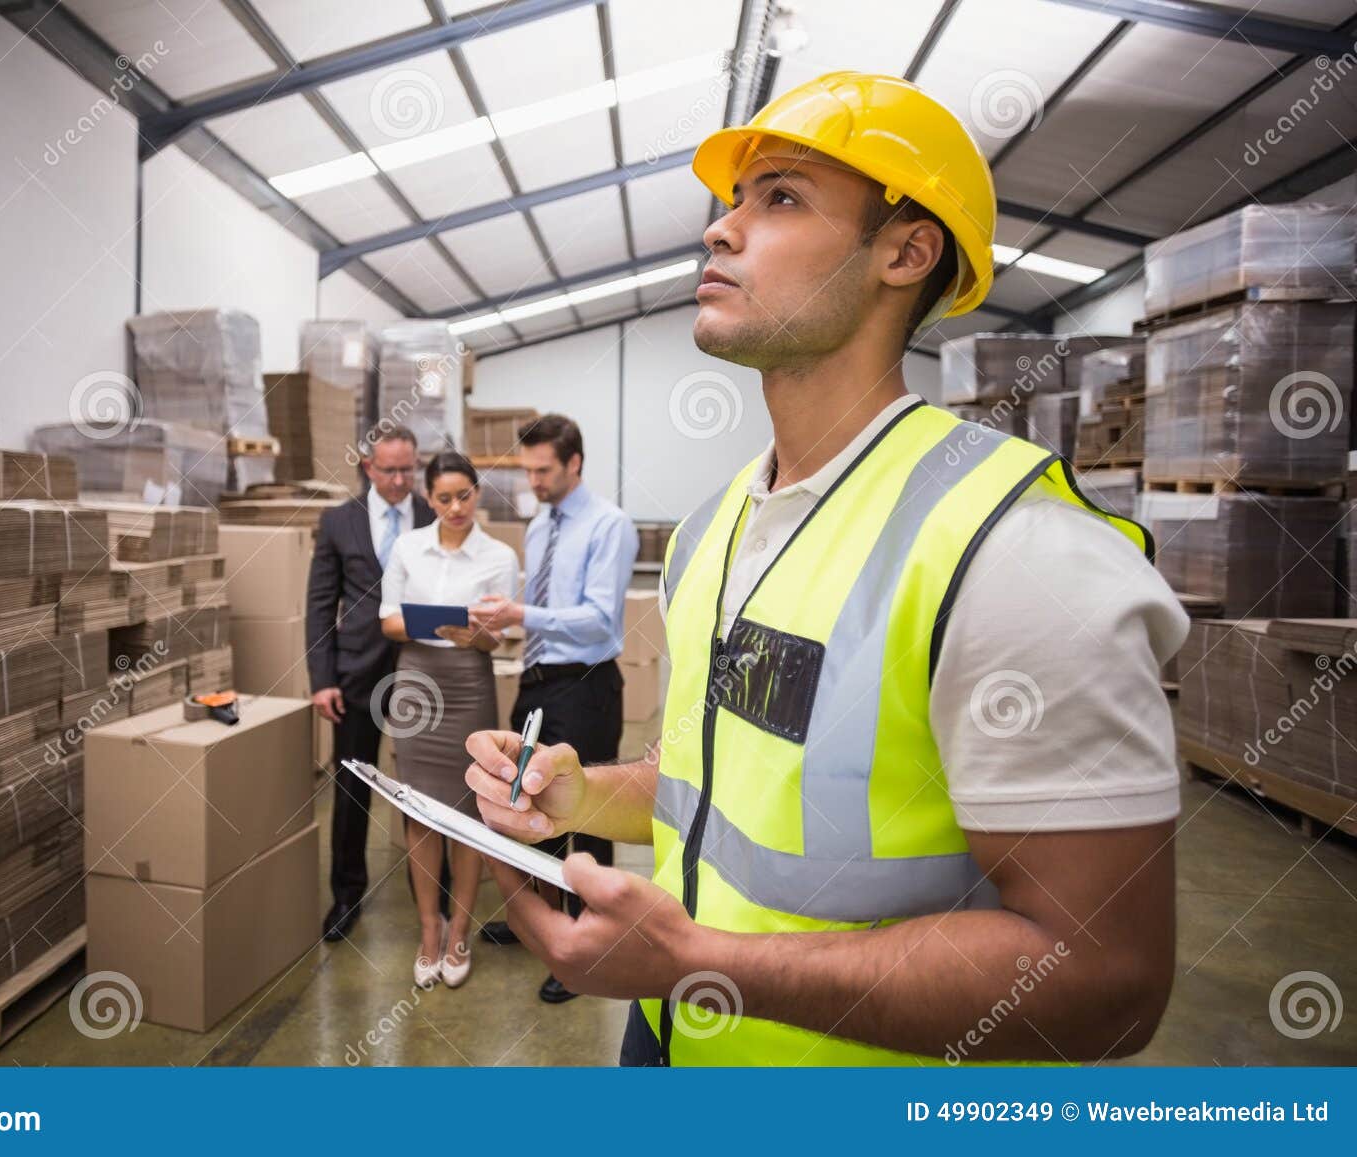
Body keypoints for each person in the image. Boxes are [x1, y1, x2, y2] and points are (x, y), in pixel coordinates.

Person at [464, 71, 1184, 1065]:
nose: (720, 229)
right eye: (732, 200)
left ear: (903, 250)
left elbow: (1103, 980)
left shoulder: (1014, 546)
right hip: (668, 1038)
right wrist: (580, 794)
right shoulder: (717, 527)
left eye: (781, 197)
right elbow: (710, 774)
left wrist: (696, 960)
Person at [468, 414, 638, 1004]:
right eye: (529, 470)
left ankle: (588, 944)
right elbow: (541, 605)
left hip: (585, 683)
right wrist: (507, 616)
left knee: (585, 809)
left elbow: (597, 618)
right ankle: (537, 919)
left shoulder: (610, 526)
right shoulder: (539, 528)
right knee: (530, 796)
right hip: (538, 679)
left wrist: (521, 617)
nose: (534, 482)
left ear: (575, 464)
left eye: (544, 471)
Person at [379, 451, 518, 988]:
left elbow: (497, 636)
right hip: (415, 685)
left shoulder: (500, 556)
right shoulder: (408, 546)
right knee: (419, 815)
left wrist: (472, 634)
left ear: (477, 493)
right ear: (428, 498)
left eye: (465, 495)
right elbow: (388, 622)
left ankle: (459, 930)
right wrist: (440, 624)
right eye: (443, 498)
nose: (456, 507)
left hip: (468, 686)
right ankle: (429, 932)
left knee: (467, 815)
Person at [306, 425, 435, 942]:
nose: (402, 480)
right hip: (356, 676)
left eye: (409, 469)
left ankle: (433, 889)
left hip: (423, 672)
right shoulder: (339, 522)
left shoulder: (434, 515)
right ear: (367, 467)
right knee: (352, 789)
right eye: (390, 471)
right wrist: (322, 679)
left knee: (426, 789)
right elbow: (319, 605)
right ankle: (345, 896)